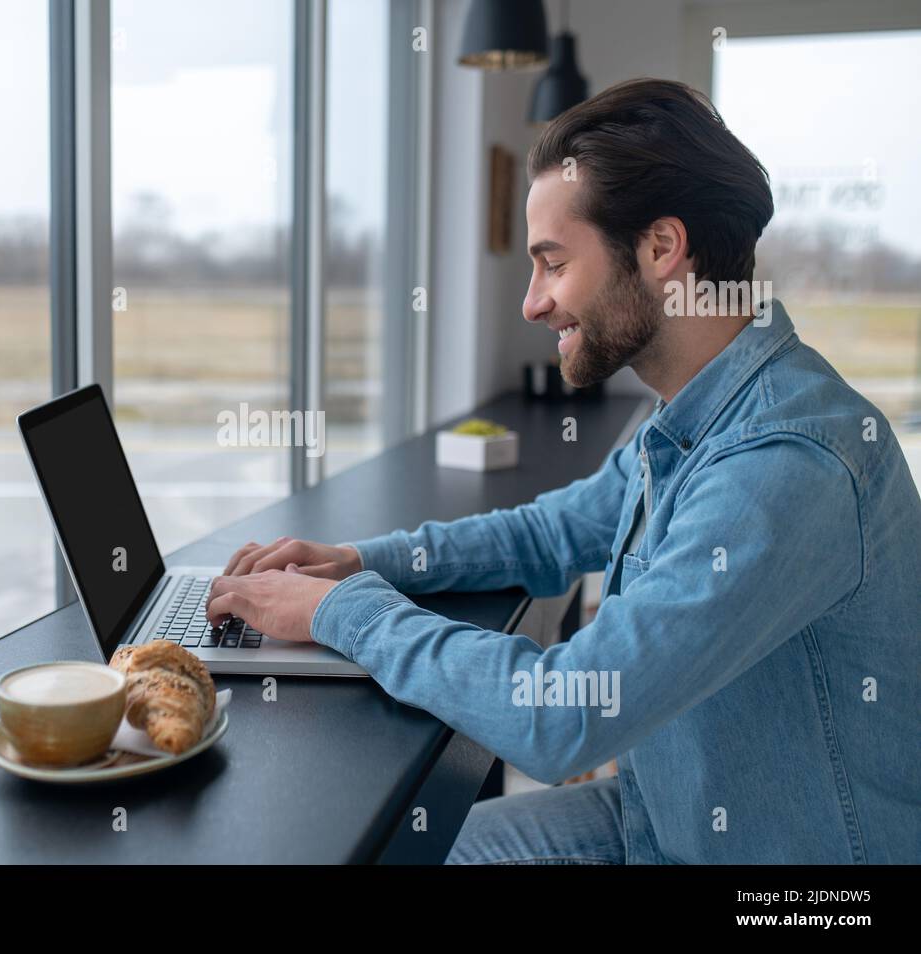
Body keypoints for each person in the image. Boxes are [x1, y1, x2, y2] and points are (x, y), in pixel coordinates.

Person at [204, 78, 921, 864]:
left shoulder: (783, 464)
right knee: (413, 853)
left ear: (660, 249)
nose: (532, 303)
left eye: (552, 264)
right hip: (663, 819)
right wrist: (361, 561)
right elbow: (558, 530)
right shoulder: (700, 408)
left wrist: (345, 611)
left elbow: (562, 715)